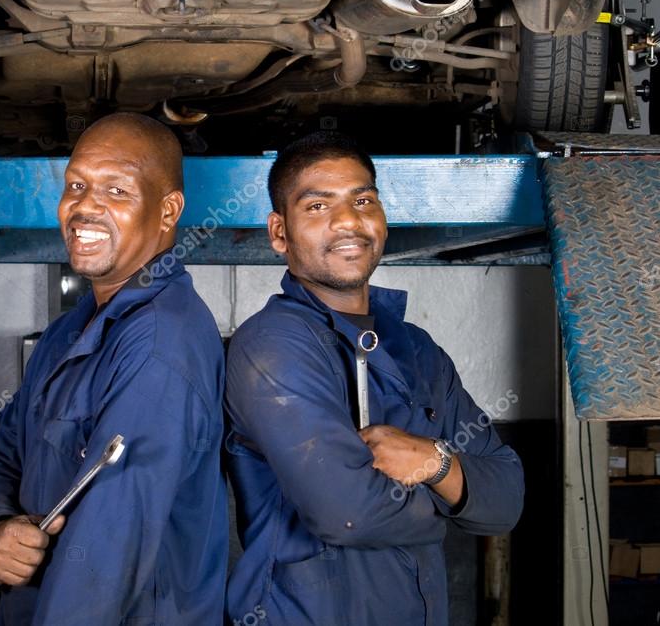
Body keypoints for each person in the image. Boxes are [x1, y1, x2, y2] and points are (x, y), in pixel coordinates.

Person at [224, 132, 525, 625]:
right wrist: (453, 494)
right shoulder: (272, 346)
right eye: (318, 206)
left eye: (363, 200)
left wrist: (434, 463)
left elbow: (506, 501)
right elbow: (347, 514)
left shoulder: (417, 350)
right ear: (279, 233)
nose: (348, 221)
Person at [0, 113, 228, 625]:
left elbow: (107, 550)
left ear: (168, 211)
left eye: (117, 191)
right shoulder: (68, 331)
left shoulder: (161, 344)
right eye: (76, 185)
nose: (85, 206)